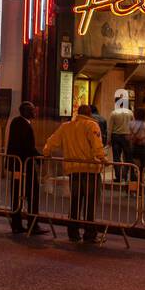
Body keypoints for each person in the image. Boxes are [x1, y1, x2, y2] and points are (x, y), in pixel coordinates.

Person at [43, 104, 107, 244]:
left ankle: (73, 232)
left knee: (75, 202)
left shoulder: (66, 126)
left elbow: (52, 141)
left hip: (73, 170)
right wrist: (103, 158)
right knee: (90, 203)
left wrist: (46, 152)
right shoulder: (92, 125)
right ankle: (90, 234)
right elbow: (97, 146)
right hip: (90, 170)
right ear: (89, 114)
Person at [6, 100, 43, 234]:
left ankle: (16, 223)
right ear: (27, 112)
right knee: (33, 192)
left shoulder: (16, 122)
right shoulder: (25, 125)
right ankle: (33, 223)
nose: (35, 112)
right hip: (25, 165)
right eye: (32, 110)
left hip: (16, 165)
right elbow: (28, 147)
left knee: (16, 193)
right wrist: (40, 157)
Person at [107, 94, 134, 182]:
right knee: (127, 157)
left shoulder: (114, 113)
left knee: (116, 157)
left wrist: (108, 139)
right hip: (127, 136)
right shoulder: (130, 113)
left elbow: (110, 128)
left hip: (116, 137)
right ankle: (125, 175)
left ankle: (118, 176)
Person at [127, 108, 145, 175]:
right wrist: (144, 138)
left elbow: (129, 135)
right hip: (143, 147)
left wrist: (132, 138)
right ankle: (141, 180)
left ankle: (133, 178)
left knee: (133, 163)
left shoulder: (131, 123)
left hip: (134, 146)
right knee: (143, 165)